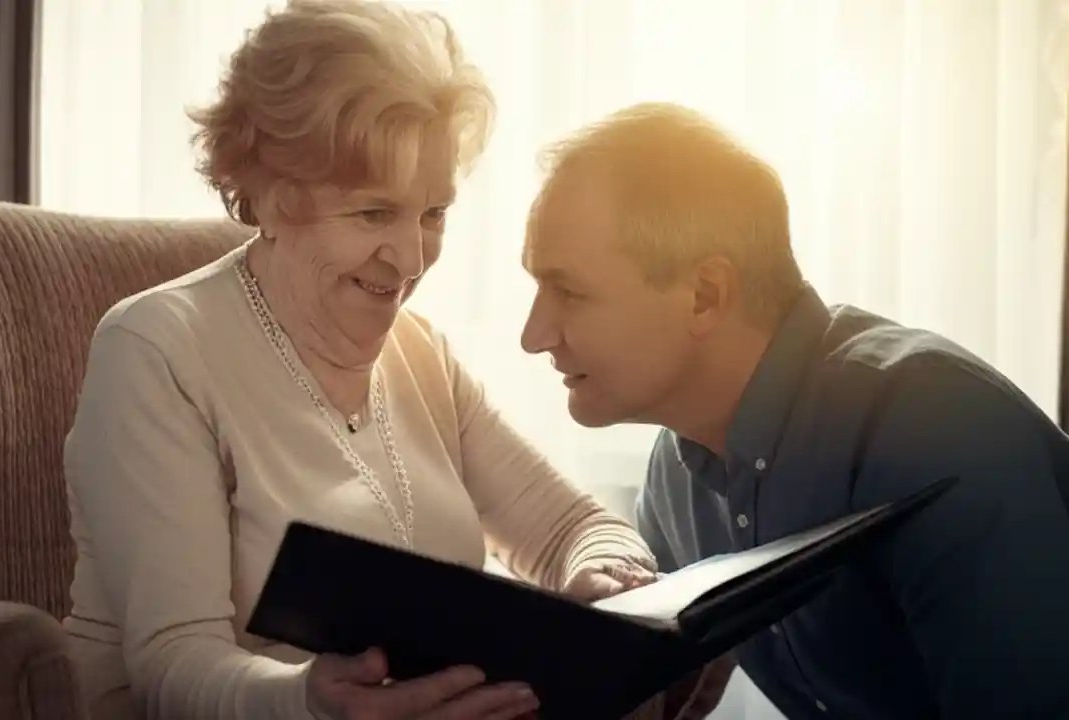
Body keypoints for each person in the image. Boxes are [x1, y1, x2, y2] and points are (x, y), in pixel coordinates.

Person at [59, 3, 664, 719]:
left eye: (433, 214)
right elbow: (170, 665)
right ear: (276, 200)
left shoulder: (421, 355)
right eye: (375, 214)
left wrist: (604, 574)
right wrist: (310, 703)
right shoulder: (157, 349)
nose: (410, 260)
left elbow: (574, 528)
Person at [519, 101, 1069, 719]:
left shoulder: (935, 428)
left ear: (705, 295)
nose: (533, 335)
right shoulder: (675, 481)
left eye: (568, 291)